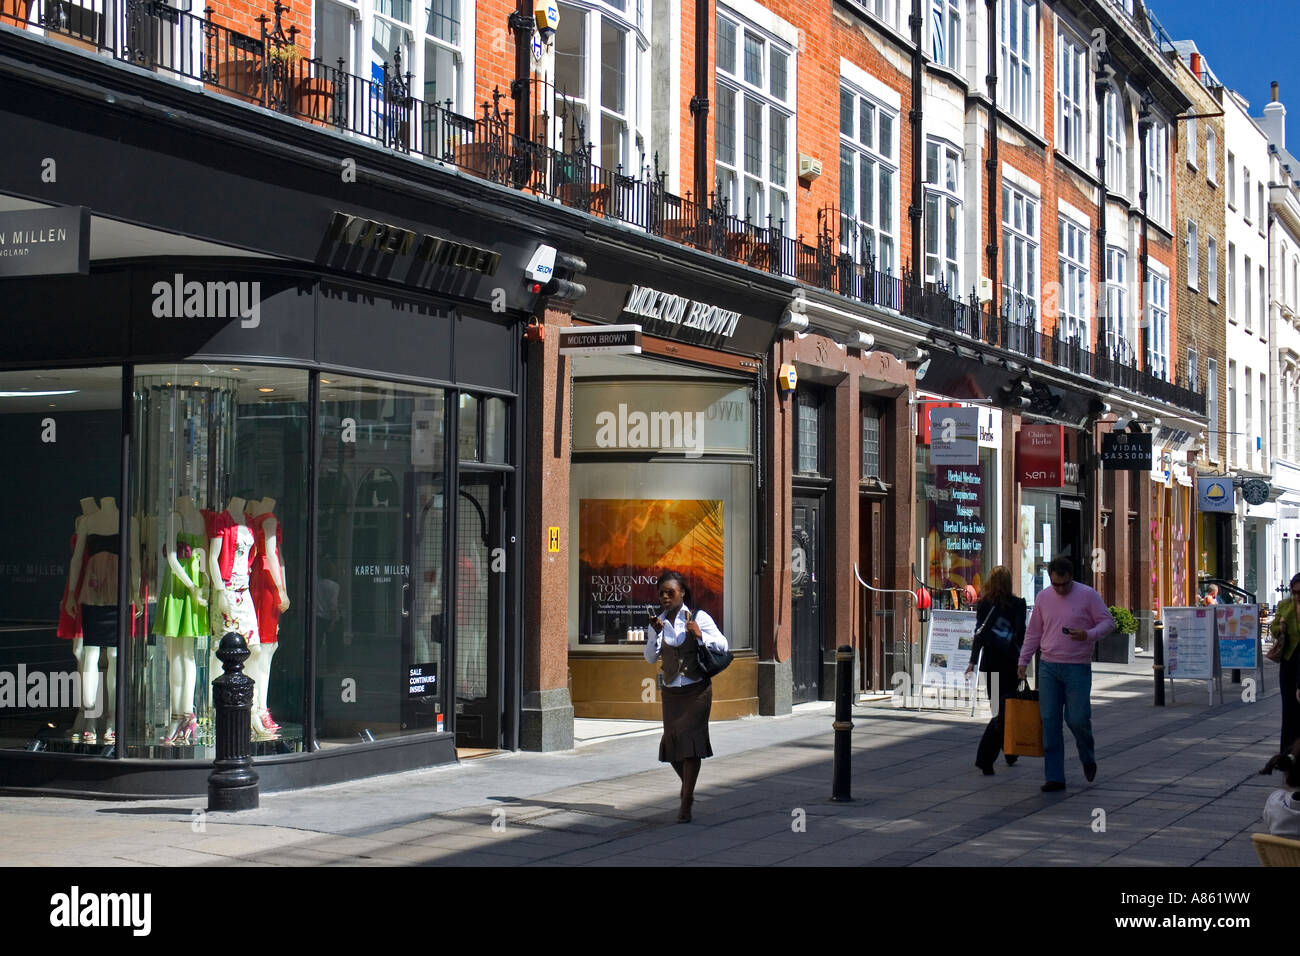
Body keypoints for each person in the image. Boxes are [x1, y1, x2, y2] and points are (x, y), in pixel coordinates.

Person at [1016, 555, 1115, 792]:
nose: (1059, 589)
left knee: (1077, 718)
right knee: (1049, 720)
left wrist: (1088, 634)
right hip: (1049, 666)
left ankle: (1087, 755)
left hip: (1077, 667)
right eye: (1055, 584)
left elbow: (1108, 622)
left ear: (1072, 577)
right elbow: (1034, 633)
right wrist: (1023, 660)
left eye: (1064, 584)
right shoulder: (1043, 597)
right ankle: (1054, 777)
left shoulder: (1088, 595)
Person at [643, 570, 728, 823]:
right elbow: (649, 658)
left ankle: (686, 801)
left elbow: (723, 645)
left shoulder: (699, 616)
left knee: (691, 746)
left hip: (696, 689)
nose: (665, 597)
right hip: (671, 691)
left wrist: (700, 634)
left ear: (682, 593)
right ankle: (688, 787)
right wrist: (656, 635)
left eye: (670, 592)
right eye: (661, 593)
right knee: (671, 745)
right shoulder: (657, 621)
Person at [964, 566, 1027, 775]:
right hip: (1010, 663)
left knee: (999, 710)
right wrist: (1024, 661)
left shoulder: (984, 605)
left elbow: (979, 635)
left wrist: (973, 661)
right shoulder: (1018, 604)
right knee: (1007, 709)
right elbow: (1020, 633)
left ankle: (1009, 752)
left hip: (991, 665)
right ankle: (986, 757)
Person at [1268, 572, 1300, 759]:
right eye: (1293, 592)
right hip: (1290, 658)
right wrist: (1281, 627)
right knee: (1288, 706)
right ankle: (1287, 752)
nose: (1296, 596)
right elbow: (1273, 628)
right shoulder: (1284, 605)